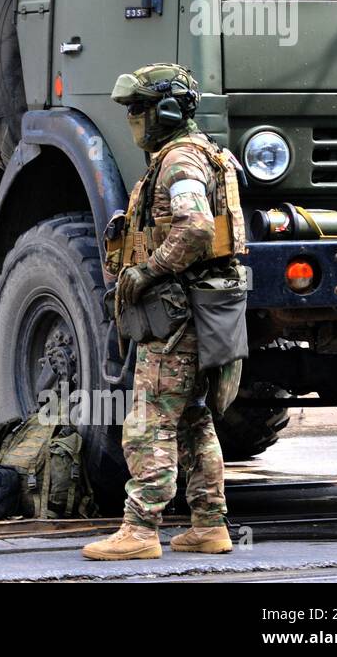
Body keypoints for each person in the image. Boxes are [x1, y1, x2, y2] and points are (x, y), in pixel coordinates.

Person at [82, 63, 247, 561]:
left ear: (168, 111)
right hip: (199, 311)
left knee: (149, 421)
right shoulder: (200, 155)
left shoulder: (180, 162)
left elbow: (195, 227)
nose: (133, 118)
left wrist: (147, 270)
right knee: (193, 418)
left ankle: (139, 530)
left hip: (177, 315)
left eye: (139, 109)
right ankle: (209, 524)